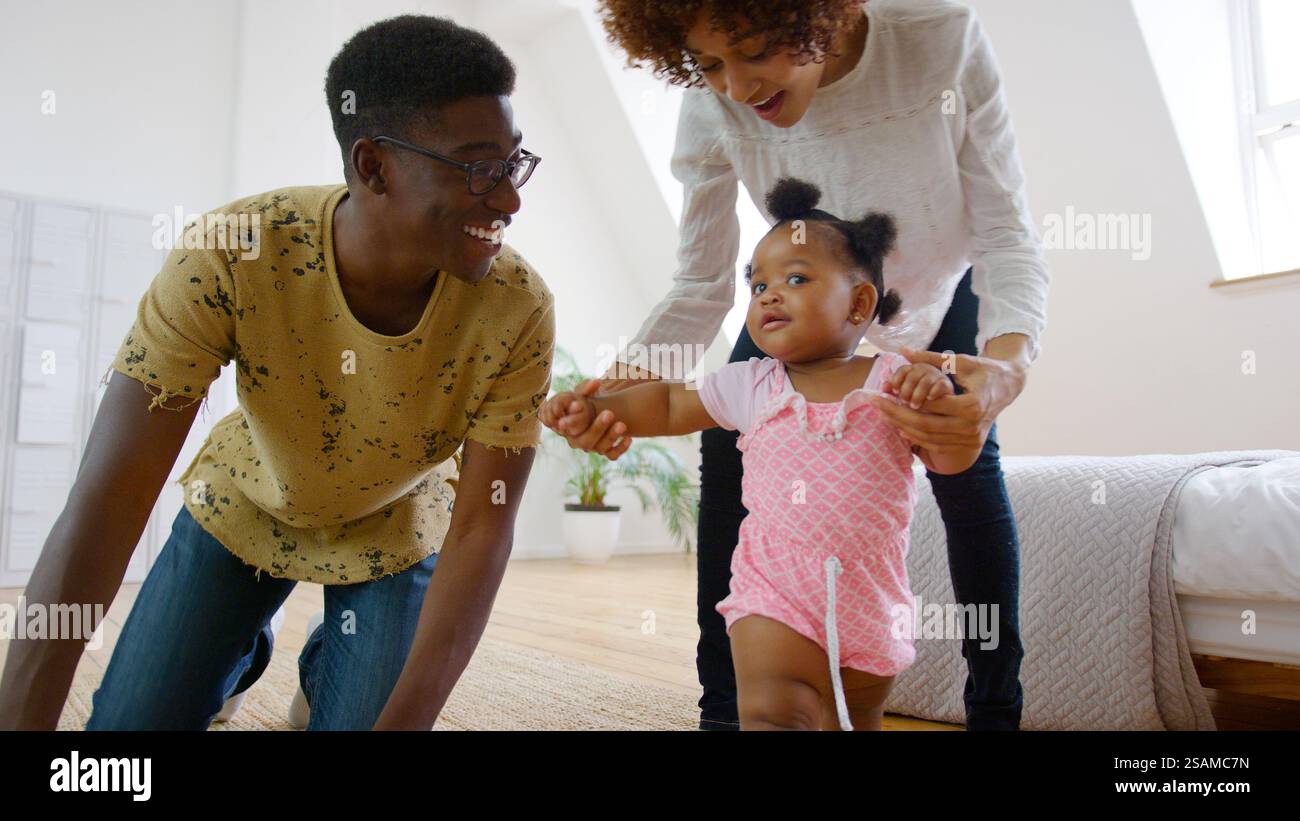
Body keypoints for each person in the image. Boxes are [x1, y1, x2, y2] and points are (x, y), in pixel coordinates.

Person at [0, 15, 554, 731]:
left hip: (394, 525)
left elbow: (482, 528)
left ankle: (330, 668)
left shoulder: (517, 305)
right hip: (247, 502)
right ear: (373, 166)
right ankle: (232, 648)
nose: (509, 197)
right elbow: (107, 498)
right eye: (479, 167)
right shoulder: (233, 251)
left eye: (512, 164)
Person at [567, 0, 1049, 730]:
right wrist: (617, 392)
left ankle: (995, 710)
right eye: (708, 64)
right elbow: (701, 286)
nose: (732, 87)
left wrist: (1004, 371)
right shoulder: (715, 105)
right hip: (809, 305)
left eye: (753, 49)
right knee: (725, 454)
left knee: (970, 476)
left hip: (934, 295)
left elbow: (1007, 235)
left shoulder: (937, 38)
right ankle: (726, 712)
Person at [543, 178, 982, 730]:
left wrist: (939, 400)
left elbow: (951, 464)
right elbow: (671, 405)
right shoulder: (751, 384)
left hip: (871, 598)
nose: (769, 294)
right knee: (776, 711)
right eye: (757, 285)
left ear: (859, 304)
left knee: (856, 715)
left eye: (795, 279)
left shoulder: (895, 381)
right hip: (774, 588)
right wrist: (600, 410)